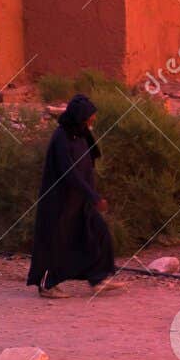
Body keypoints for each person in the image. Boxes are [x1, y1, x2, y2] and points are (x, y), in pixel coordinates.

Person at [27, 94, 120, 298]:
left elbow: (90, 159)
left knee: (99, 232)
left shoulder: (81, 133)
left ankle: (99, 278)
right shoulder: (61, 137)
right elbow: (69, 172)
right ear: (80, 117)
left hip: (80, 200)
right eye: (90, 116)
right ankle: (47, 285)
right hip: (60, 201)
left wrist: (90, 194)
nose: (93, 119)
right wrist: (93, 196)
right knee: (57, 241)